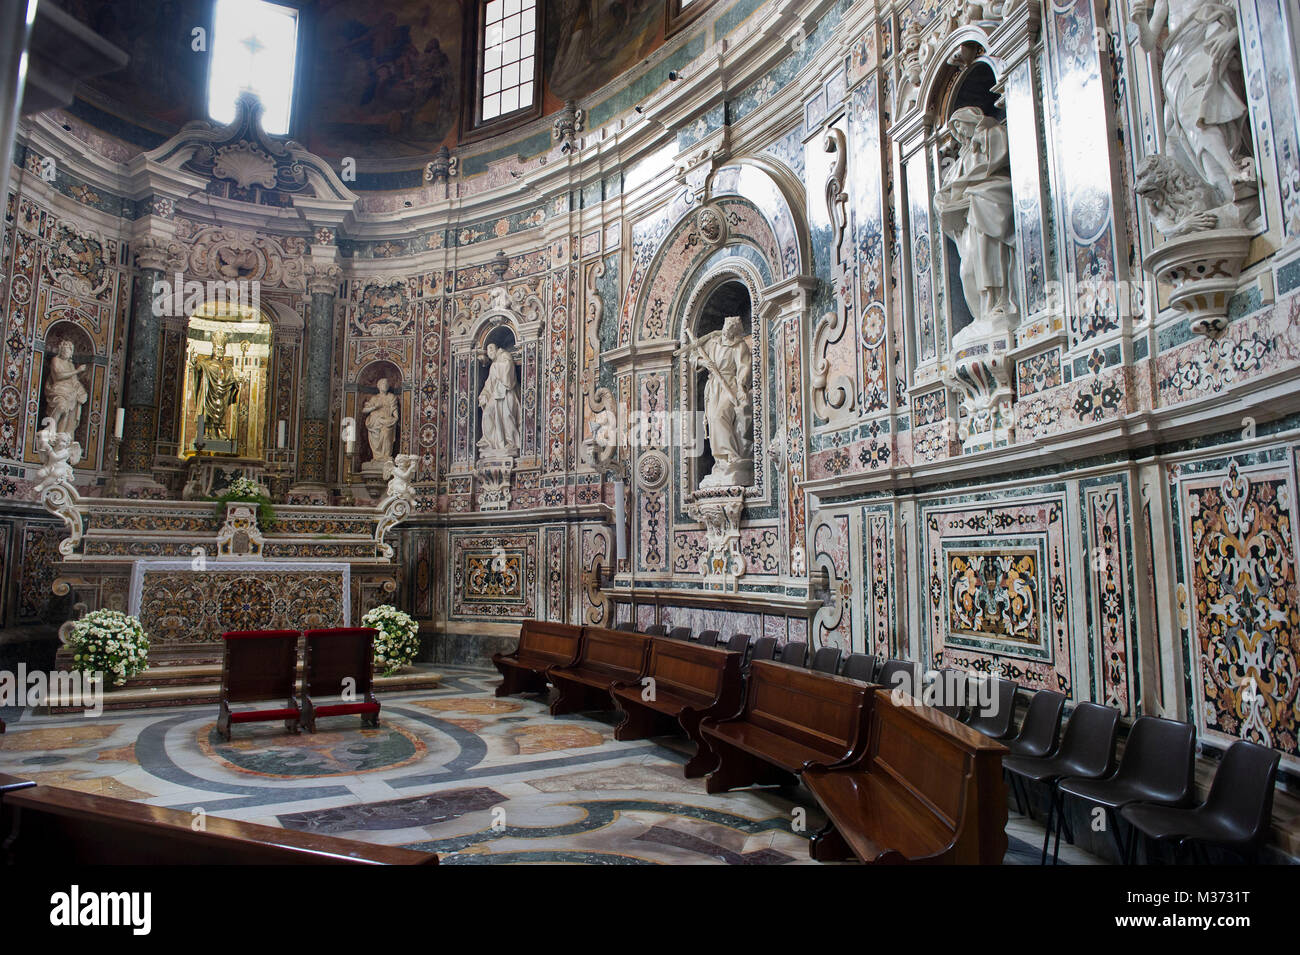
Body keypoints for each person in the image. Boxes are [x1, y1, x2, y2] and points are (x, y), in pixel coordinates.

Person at [933, 106, 1017, 338]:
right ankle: (982, 313)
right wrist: (943, 200)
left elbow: (1000, 158)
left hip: (990, 202)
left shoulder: (992, 133)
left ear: (972, 120)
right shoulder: (961, 158)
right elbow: (950, 187)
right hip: (969, 218)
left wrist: (982, 138)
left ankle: (1000, 303)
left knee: (990, 257)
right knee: (968, 268)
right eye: (956, 127)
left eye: (960, 124)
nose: (959, 131)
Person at [684, 315, 753, 488]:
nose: (727, 330)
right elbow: (693, 357)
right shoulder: (712, 342)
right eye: (726, 326)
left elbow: (744, 367)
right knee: (713, 420)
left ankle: (731, 456)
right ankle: (721, 461)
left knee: (719, 417)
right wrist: (704, 362)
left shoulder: (739, 346)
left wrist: (742, 385)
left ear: (736, 331)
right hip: (713, 386)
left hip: (729, 386)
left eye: (731, 328)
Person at [191, 332, 240, 440]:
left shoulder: (227, 367)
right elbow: (198, 370)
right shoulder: (206, 364)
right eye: (218, 349)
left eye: (222, 350)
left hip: (222, 395)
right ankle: (205, 432)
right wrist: (194, 364)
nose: (220, 352)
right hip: (209, 394)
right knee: (206, 413)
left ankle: (219, 431)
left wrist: (236, 384)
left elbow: (231, 381)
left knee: (221, 413)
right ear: (213, 350)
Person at [477, 343, 521, 457]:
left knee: (507, 417)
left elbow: (508, 371)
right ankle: (490, 442)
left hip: (507, 393)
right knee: (487, 414)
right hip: (496, 395)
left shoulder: (504, 355)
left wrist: (496, 366)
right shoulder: (493, 365)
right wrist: (484, 395)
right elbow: (489, 384)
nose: (489, 352)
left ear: (497, 349)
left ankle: (511, 443)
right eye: (487, 350)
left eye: (491, 349)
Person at [44, 339, 88, 436]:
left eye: (68, 350)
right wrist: (77, 371)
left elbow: (75, 382)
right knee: (61, 406)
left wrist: (82, 392)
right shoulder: (56, 360)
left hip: (70, 392)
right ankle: (50, 431)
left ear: (71, 352)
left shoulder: (71, 365)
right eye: (64, 350)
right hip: (58, 390)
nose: (66, 352)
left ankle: (60, 436)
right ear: (61, 351)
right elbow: (58, 375)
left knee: (68, 413)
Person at [362, 378, 400, 469]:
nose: (385, 385)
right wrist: (375, 407)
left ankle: (386, 457)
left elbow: (395, 411)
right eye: (383, 383)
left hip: (387, 422)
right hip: (375, 423)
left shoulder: (391, 397)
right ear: (378, 386)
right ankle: (377, 457)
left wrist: (395, 418)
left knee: (386, 434)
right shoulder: (374, 398)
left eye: (387, 384)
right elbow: (364, 410)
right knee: (376, 439)